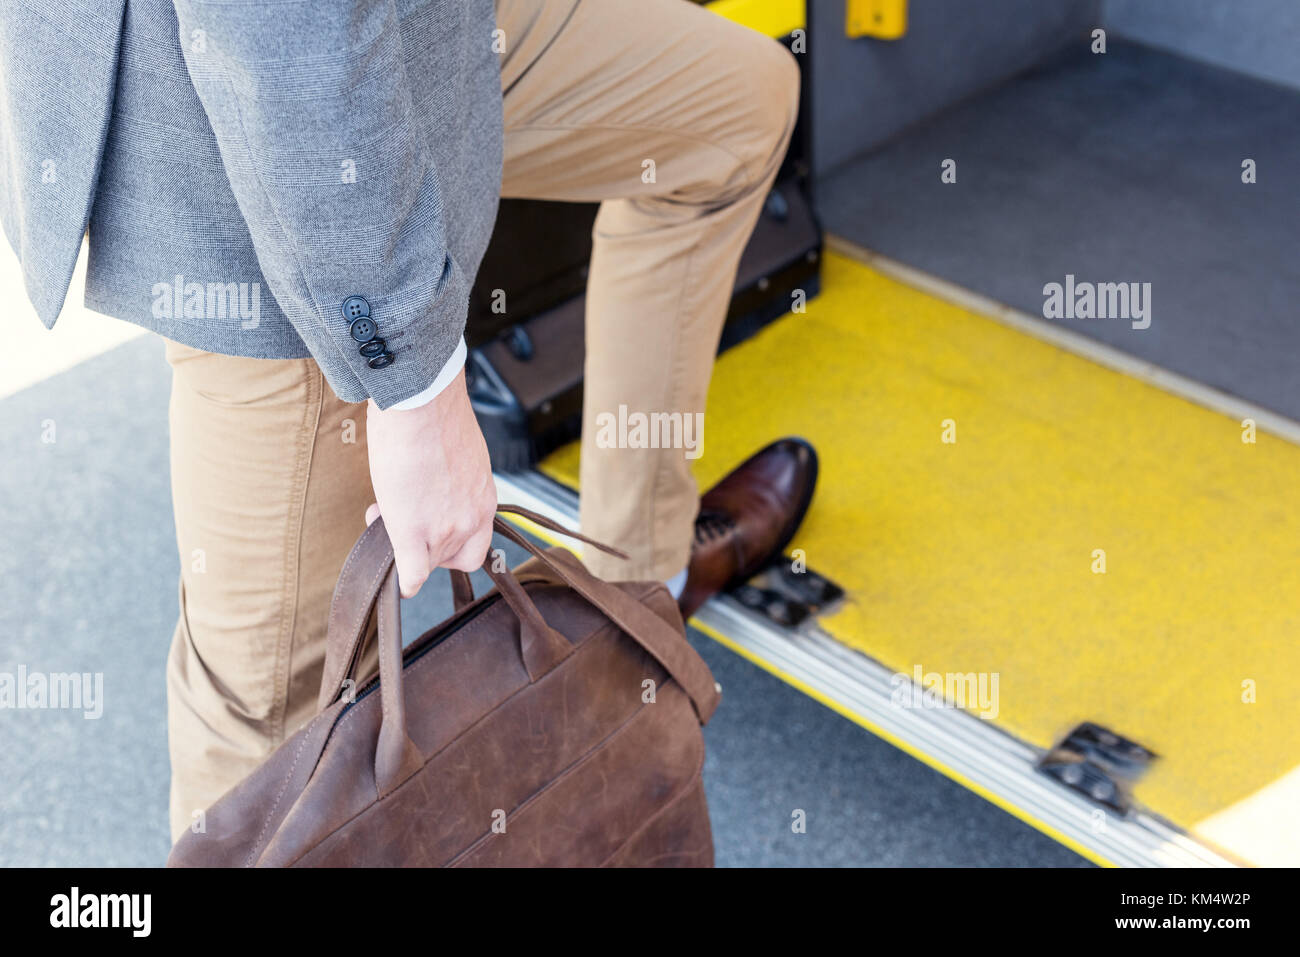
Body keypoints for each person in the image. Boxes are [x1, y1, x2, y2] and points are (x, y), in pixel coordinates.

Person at [0, 0, 817, 843]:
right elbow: (287, 39)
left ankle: (632, 600)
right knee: (273, 724)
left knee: (733, 109)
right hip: (269, 127)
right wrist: (415, 384)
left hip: (427, 30)